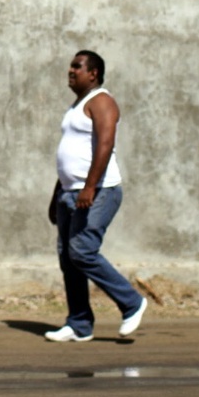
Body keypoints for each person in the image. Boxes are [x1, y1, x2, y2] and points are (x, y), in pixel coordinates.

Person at [44, 49, 148, 342]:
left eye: (77, 66)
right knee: (68, 258)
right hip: (70, 193)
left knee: (82, 251)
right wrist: (57, 195)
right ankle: (79, 324)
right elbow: (70, 156)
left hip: (99, 191)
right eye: (70, 66)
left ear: (94, 73)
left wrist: (90, 187)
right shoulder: (76, 107)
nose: (71, 70)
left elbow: (105, 145)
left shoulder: (102, 101)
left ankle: (132, 302)